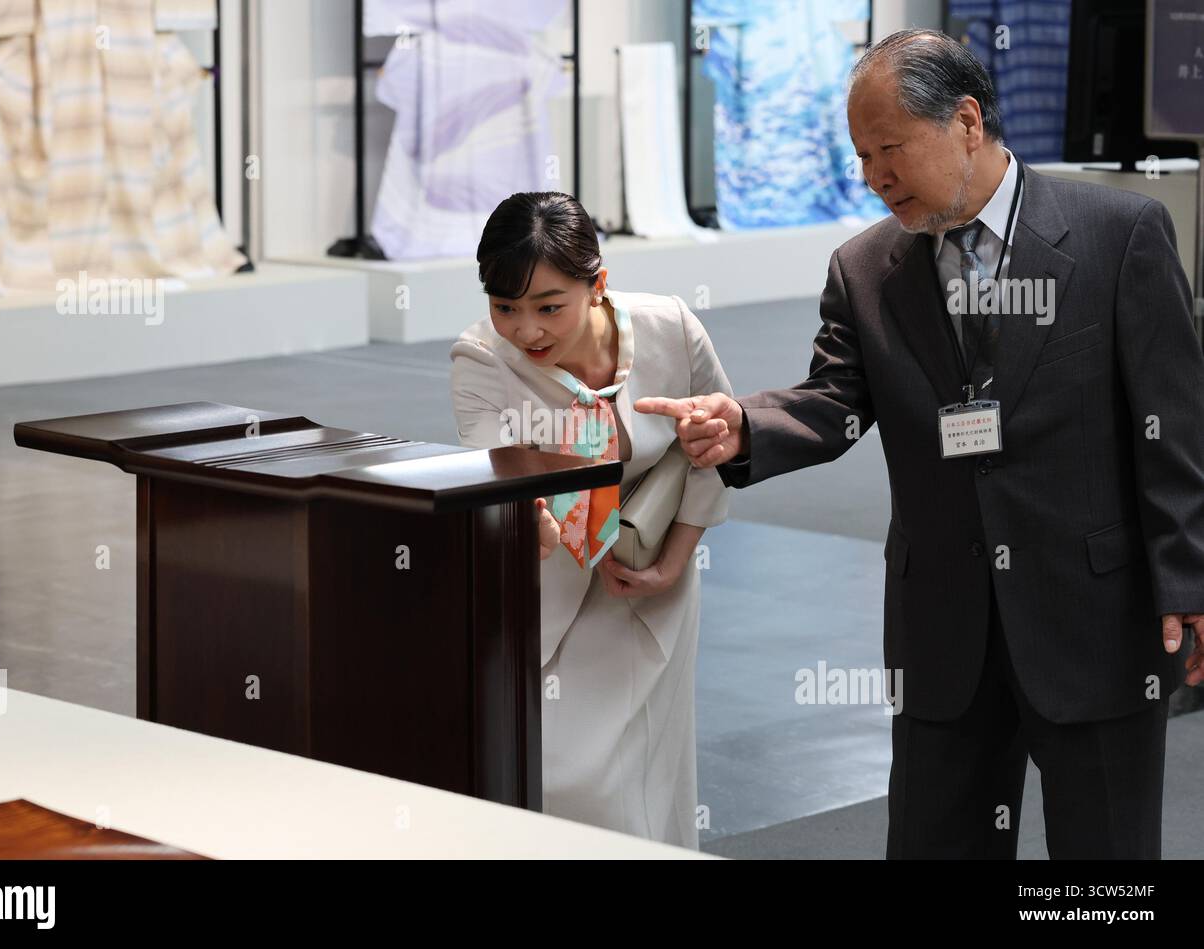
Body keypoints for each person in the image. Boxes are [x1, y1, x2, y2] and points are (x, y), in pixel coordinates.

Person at [639, 29, 1204, 858]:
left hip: (1091, 616)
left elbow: (1173, 424)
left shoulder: (1119, 235)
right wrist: (745, 425)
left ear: (967, 122)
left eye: (890, 149)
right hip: (942, 626)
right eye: (862, 156)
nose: (875, 176)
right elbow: (835, 400)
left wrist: (1188, 577)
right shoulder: (864, 269)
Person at [449, 192, 733, 848]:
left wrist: (674, 562)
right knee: (561, 771)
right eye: (505, 307)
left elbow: (716, 452)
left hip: (654, 562)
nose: (527, 330)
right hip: (552, 579)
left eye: (549, 306)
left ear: (597, 284)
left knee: (644, 769)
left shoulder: (671, 327)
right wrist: (531, 520)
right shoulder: (480, 358)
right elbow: (505, 475)